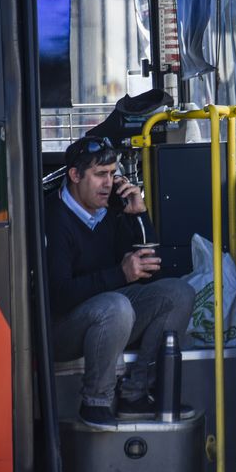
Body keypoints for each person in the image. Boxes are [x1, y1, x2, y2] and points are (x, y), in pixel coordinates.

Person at [45, 135, 196, 427]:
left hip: (109, 320)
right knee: (116, 305)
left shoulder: (112, 210)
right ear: (75, 175)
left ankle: (135, 394)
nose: (108, 183)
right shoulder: (53, 216)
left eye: (113, 174)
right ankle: (95, 402)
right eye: (100, 174)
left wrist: (139, 216)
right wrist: (120, 274)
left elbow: (150, 274)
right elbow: (58, 295)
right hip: (60, 329)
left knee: (179, 293)